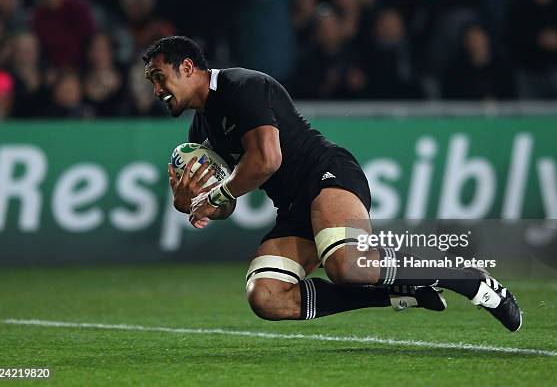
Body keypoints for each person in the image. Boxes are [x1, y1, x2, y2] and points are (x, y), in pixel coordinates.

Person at [143, 36, 522, 331]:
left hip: (327, 175)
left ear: (188, 66)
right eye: (151, 82)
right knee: (267, 297)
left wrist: (218, 193)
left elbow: (267, 160)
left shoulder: (242, 86)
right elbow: (229, 204)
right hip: (292, 207)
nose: (157, 90)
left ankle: (464, 276)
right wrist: (193, 202)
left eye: (159, 77)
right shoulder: (202, 126)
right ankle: (403, 293)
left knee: (346, 265)